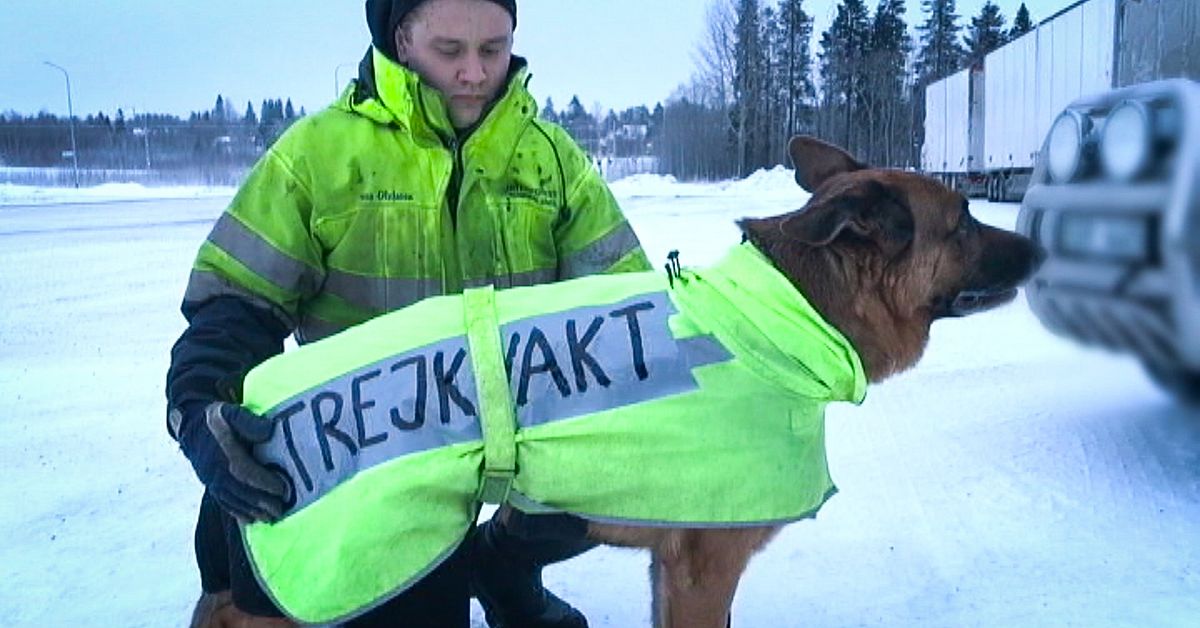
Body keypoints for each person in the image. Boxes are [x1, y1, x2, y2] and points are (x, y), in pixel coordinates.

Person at [165, 0, 651, 626]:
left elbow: (629, 309)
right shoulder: (319, 155)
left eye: (494, 49)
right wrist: (201, 405)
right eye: (450, 51)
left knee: (638, 466)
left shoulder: (554, 162)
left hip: (521, 440)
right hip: (381, 461)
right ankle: (233, 596)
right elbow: (235, 305)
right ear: (401, 39)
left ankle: (502, 563)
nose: (475, 73)